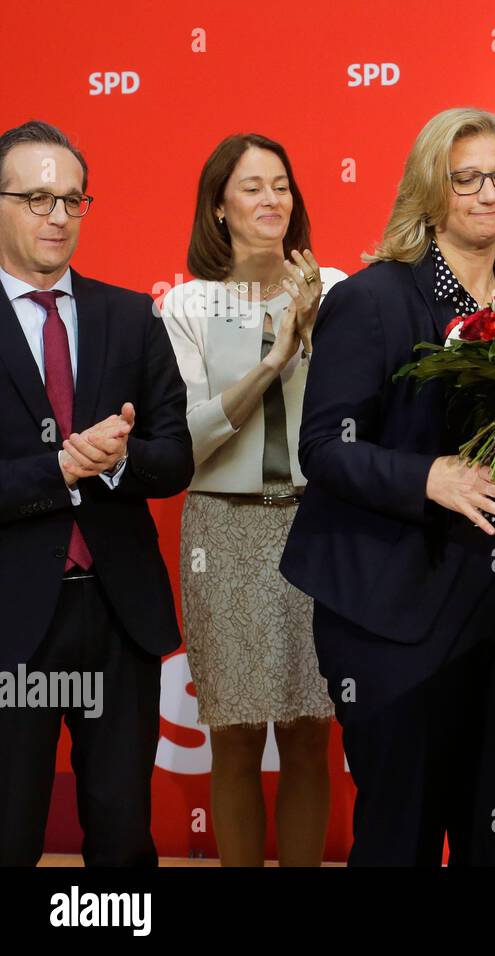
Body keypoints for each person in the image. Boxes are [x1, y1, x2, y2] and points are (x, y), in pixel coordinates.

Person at [280, 107, 495, 866]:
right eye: (467, 178)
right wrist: (430, 477)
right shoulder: (374, 299)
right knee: (401, 836)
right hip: (396, 616)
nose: (489, 194)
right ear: (430, 186)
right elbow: (323, 448)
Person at [0, 120, 193, 865]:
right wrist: (59, 470)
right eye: (36, 198)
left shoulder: (130, 315)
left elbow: (174, 458)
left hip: (118, 615)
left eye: (72, 200)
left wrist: (115, 462)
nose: (57, 216)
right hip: (13, 621)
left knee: (121, 834)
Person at [159, 134, 347, 866]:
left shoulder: (335, 288)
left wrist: (314, 326)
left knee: (308, 733)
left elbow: (350, 417)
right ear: (219, 207)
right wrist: (276, 356)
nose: (272, 200)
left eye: (281, 185)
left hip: (315, 523)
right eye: (252, 187)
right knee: (233, 736)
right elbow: (188, 439)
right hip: (223, 531)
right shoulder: (189, 304)